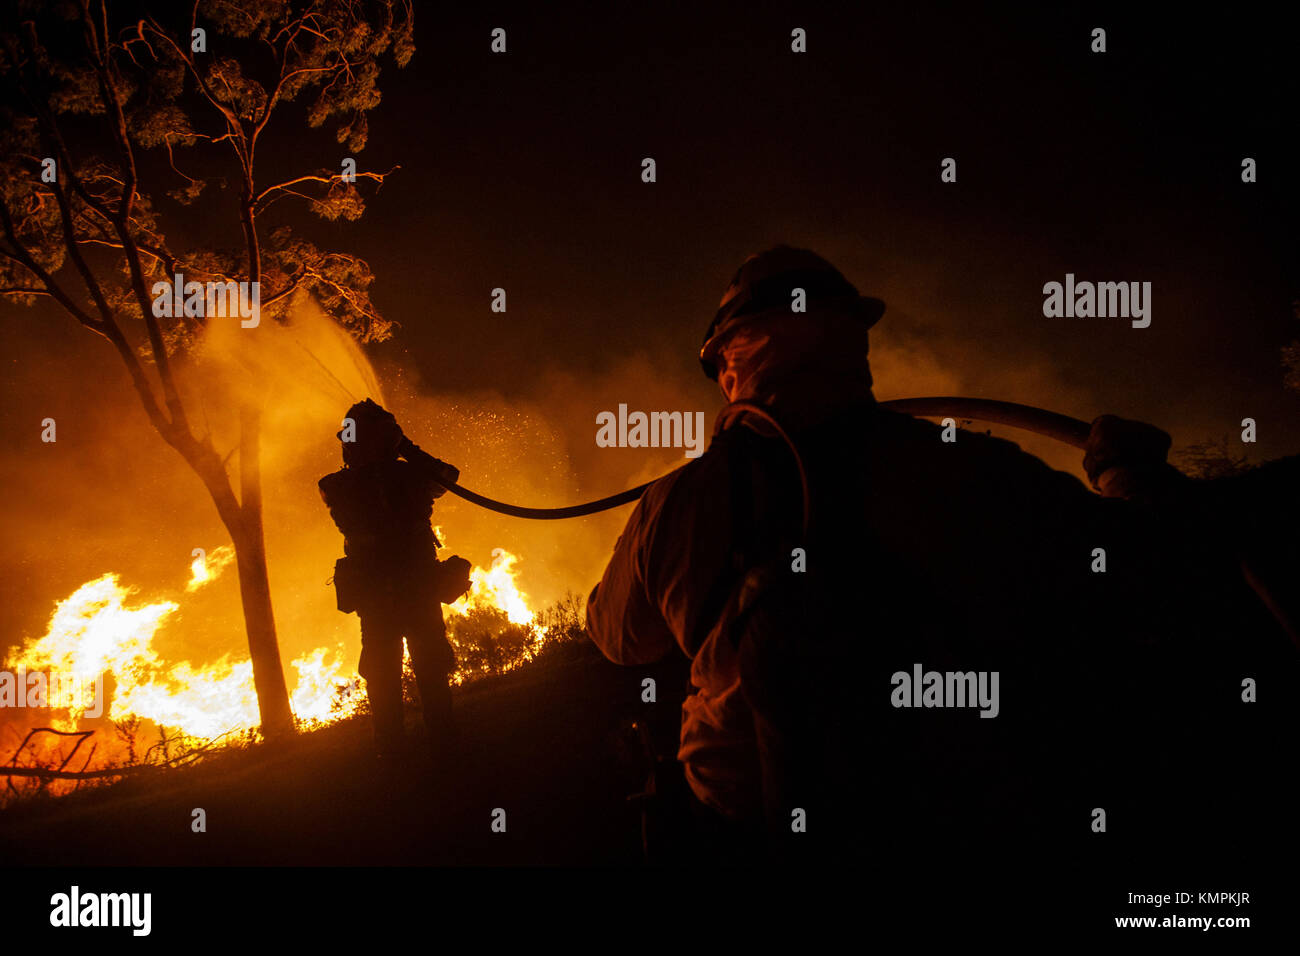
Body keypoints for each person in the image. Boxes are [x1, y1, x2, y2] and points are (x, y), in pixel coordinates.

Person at [586, 246, 1298, 865]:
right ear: (849, 342)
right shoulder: (962, 472)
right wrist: (1125, 474)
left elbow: (617, 636)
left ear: (728, 361)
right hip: (949, 828)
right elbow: (1145, 563)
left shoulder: (672, 505)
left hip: (736, 834)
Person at [319, 399, 469, 760]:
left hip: (378, 595)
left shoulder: (334, 484)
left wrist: (395, 445)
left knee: (386, 672)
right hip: (414, 588)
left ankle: (392, 749)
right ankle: (441, 743)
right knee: (428, 667)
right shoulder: (409, 476)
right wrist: (404, 446)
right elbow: (447, 476)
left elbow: (446, 477)